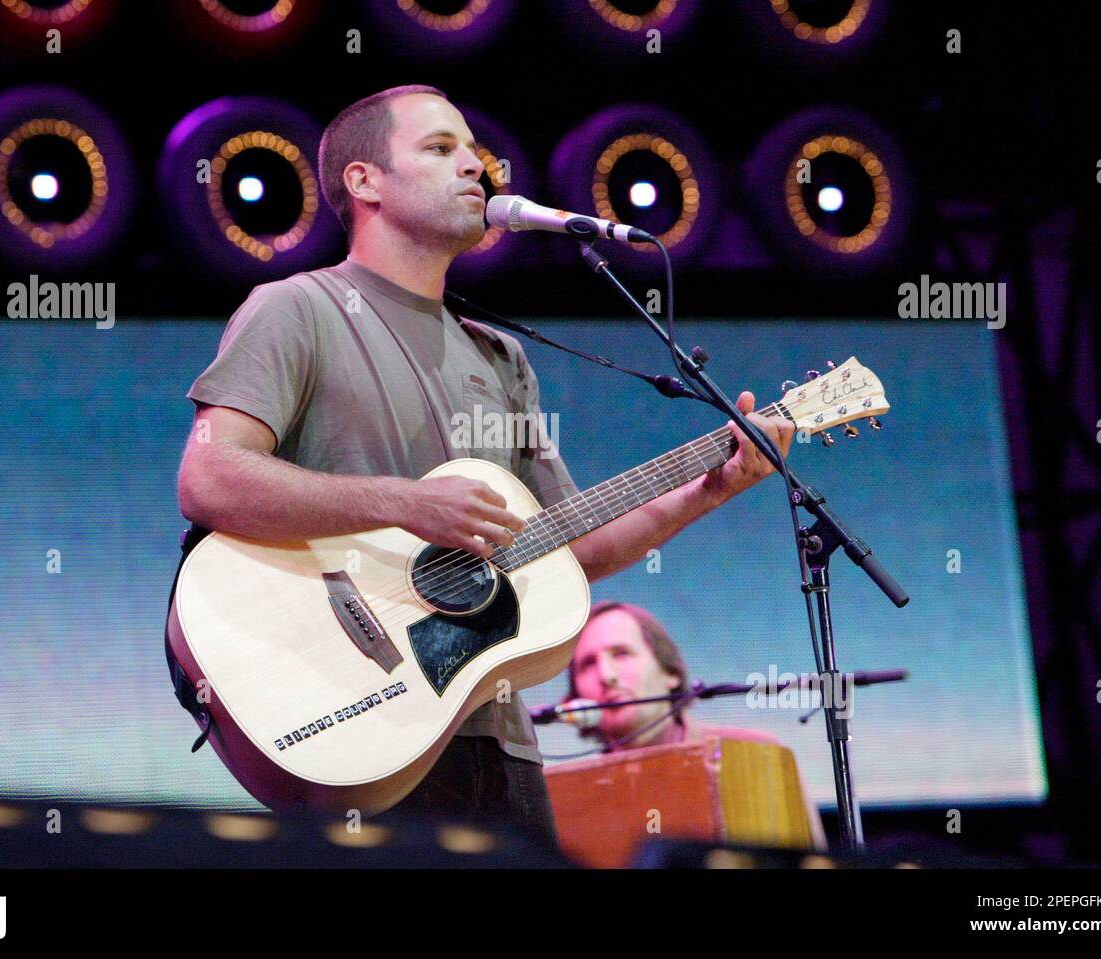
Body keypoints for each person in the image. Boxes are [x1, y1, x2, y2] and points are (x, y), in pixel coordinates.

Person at [176, 84, 794, 846]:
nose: (476, 167)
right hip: (358, 722)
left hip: (496, 737)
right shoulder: (295, 308)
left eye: (475, 153)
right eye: (441, 150)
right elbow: (210, 478)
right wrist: (407, 504)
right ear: (364, 181)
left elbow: (571, 549)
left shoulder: (499, 357)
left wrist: (711, 488)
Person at [567, 600, 783, 750]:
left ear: (670, 672)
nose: (606, 675)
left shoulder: (758, 751)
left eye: (622, 654)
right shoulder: (573, 793)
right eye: (587, 664)